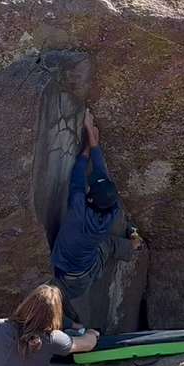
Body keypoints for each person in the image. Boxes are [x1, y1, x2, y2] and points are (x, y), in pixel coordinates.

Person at [51, 109, 142, 324]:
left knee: (107, 245)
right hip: (90, 263)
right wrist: (94, 144)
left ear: (90, 199)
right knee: (109, 244)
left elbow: (77, 179)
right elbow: (103, 175)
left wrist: (85, 150)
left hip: (70, 277)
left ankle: (68, 315)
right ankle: (136, 242)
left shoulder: (78, 211)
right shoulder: (111, 212)